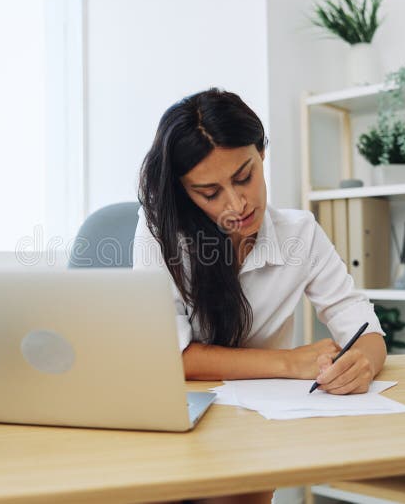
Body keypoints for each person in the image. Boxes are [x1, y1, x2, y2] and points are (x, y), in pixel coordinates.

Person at [133, 88, 387, 504]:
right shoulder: (160, 234)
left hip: (254, 419)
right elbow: (170, 357)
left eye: (244, 176)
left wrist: (364, 363)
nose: (237, 204)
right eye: (210, 193)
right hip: (172, 414)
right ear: (185, 192)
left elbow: (361, 325)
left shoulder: (299, 234)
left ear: (262, 152)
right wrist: (289, 361)